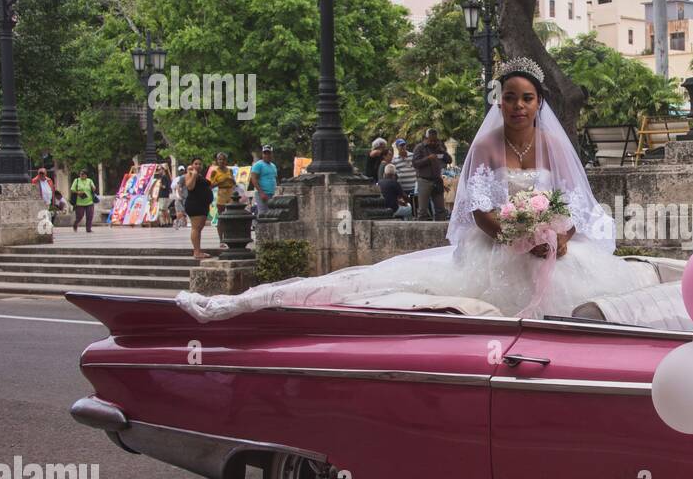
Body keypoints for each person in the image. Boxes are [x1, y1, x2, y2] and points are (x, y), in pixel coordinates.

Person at [176, 56, 660, 322]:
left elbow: (574, 205)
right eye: (510, 98)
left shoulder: (553, 143)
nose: (518, 106)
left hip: (551, 252)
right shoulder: (488, 145)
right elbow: (477, 210)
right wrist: (518, 239)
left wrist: (555, 239)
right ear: (501, 102)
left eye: (527, 99)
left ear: (538, 103)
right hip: (499, 247)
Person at [412, 128, 449, 220]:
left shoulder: (439, 147)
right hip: (424, 180)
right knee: (423, 210)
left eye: (435, 140)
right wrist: (428, 158)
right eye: (431, 140)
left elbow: (449, 160)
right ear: (426, 138)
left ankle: (440, 229)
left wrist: (442, 151)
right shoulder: (419, 148)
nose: (433, 142)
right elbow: (415, 163)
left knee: (440, 209)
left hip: (437, 180)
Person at [183, 157, 214, 260]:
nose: (198, 166)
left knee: (198, 228)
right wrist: (194, 175)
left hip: (202, 205)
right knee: (196, 228)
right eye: (196, 164)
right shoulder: (190, 175)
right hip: (195, 204)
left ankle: (198, 250)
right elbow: (190, 187)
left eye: (200, 164)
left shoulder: (200, 176)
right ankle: (196, 251)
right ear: (192, 165)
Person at [206, 152, 237, 244]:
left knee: (233, 215)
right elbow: (211, 186)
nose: (221, 161)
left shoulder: (229, 170)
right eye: (219, 159)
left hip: (230, 193)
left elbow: (234, 183)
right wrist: (221, 181)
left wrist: (232, 180)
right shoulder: (215, 171)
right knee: (221, 217)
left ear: (226, 161)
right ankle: (221, 239)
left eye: (223, 159)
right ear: (217, 160)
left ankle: (231, 236)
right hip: (221, 193)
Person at [249, 145, 278, 218]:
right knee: (262, 214)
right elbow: (254, 179)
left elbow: (274, 178)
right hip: (262, 193)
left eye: (269, 153)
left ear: (272, 154)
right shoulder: (258, 165)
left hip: (272, 193)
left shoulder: (273, 166)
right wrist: (261, 192)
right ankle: (260, 229)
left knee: (271, 214)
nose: (267, 155)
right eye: (265, 153)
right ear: (262, 154)